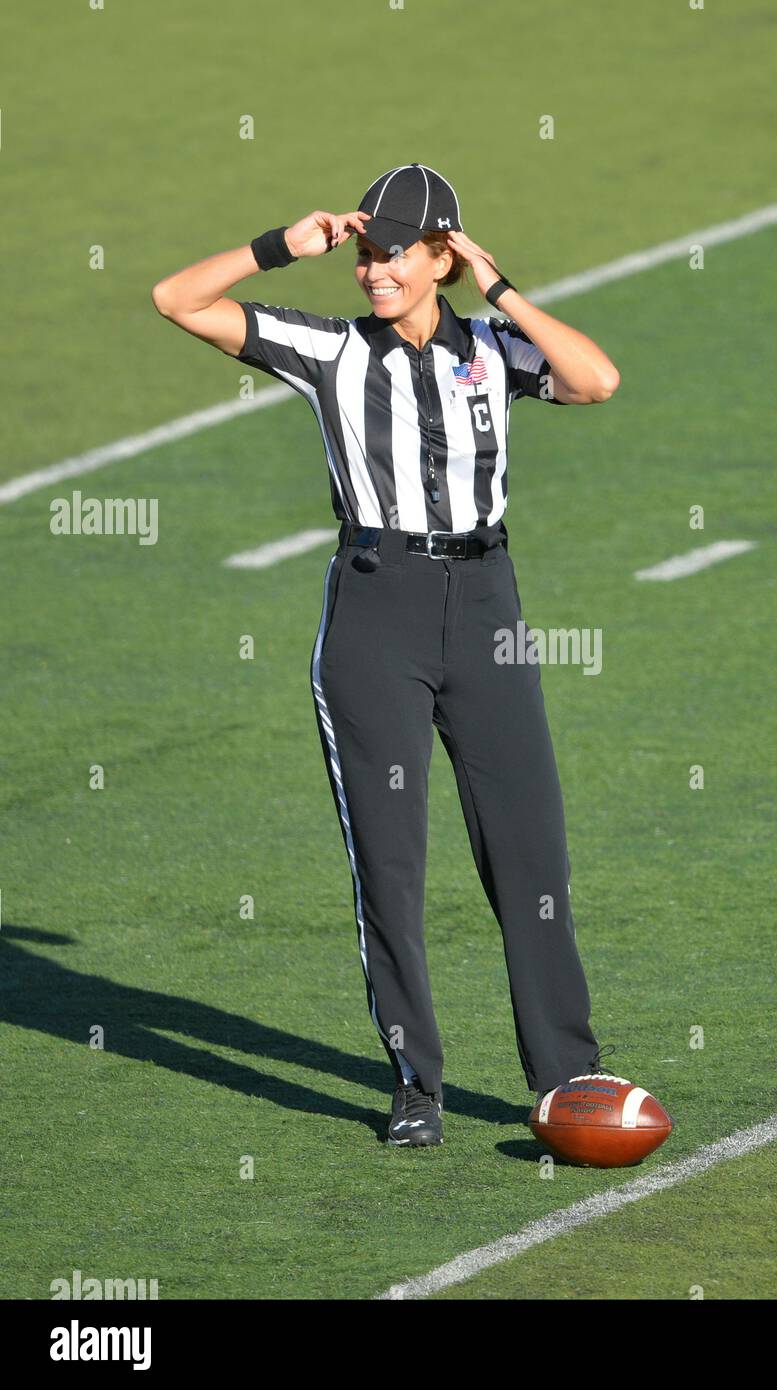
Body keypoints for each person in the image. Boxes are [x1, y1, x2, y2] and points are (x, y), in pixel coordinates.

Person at [152, 163, 621, 1147]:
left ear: (442, 255)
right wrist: (287, 240)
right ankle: (416, 1083)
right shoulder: (328, 350)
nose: (373, 269)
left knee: (529, 847)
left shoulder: (495, 347)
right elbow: (177, 300)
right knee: (391, 864)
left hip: (487, 602)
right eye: (367, 251)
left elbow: (595, 379)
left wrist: (500, 287)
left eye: (395, 251)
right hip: (378, 610)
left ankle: (566, 1076)